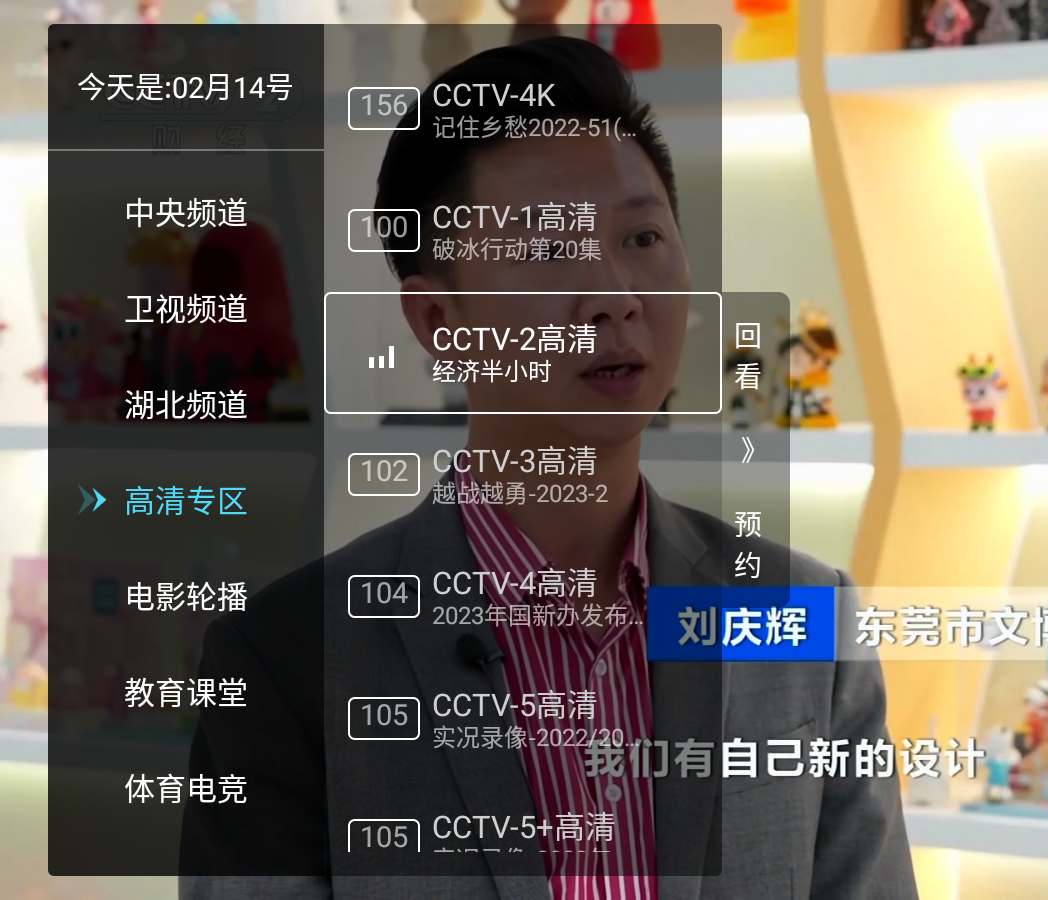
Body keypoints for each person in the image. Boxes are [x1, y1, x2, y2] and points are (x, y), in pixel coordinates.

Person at [179, 37, 915, 899]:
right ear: (440, 320)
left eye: (643, 236)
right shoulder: (285, 657)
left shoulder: (805, 622)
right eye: (549, 249)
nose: (615, 295)